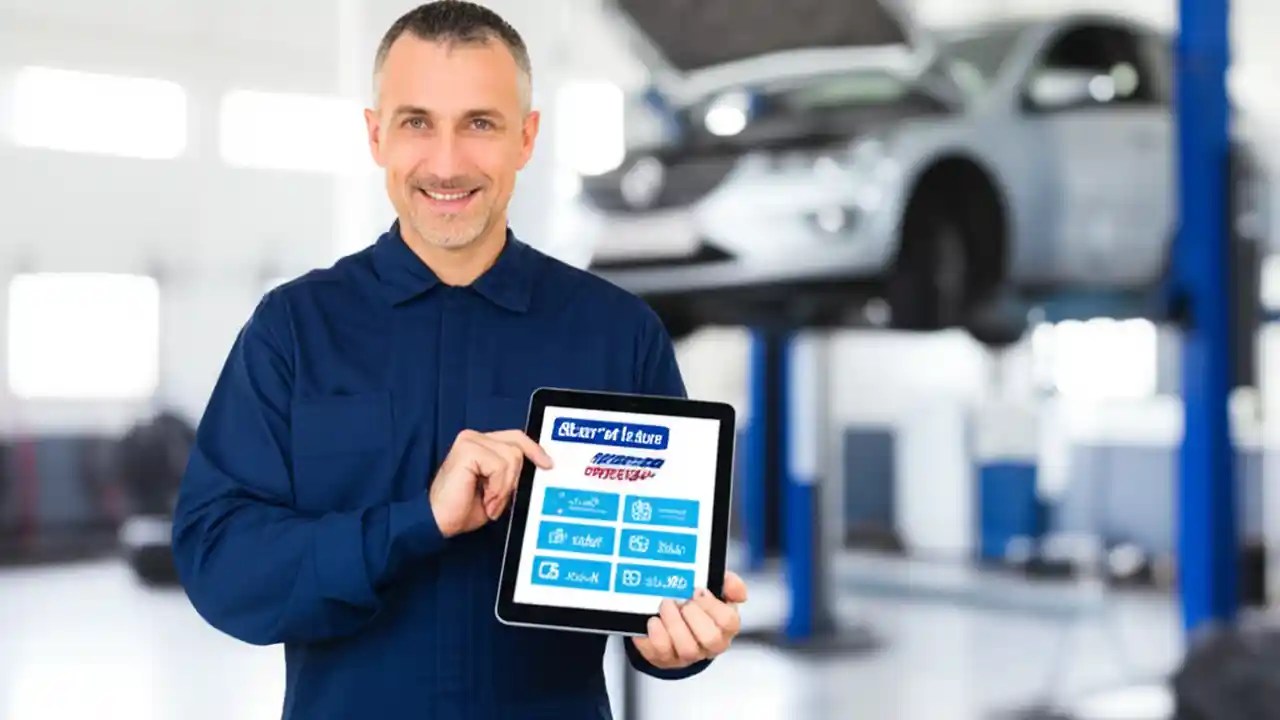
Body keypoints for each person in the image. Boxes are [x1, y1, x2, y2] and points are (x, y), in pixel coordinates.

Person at [170, 2, 748, 718]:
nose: (446, 164)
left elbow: (665, 590)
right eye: (417, 122)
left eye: (480, 123)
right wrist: (417, 522)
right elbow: (222, 564)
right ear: (376, 135)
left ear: (526, 138)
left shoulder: (619, 334)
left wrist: (677, 643)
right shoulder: (293, 330)